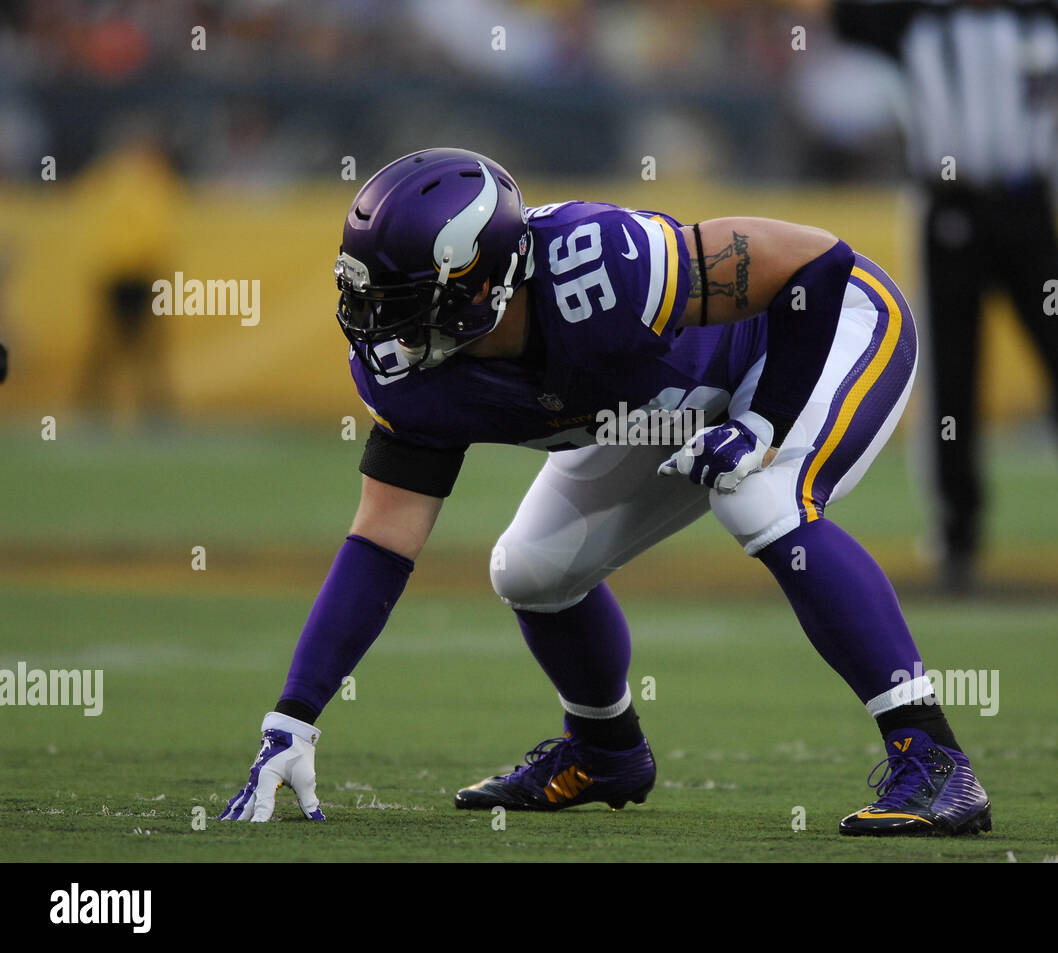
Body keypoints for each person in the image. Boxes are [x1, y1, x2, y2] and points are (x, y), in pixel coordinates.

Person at [220, 147, 990, 836]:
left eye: (402, 299)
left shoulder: (602, 267)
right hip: (666, 407)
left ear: (479, 284)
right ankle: (606, 750)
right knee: (530, 569)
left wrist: (763, 422)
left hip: (820, 330)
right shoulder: (415, 379)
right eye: (370, 294)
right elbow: (381, 543)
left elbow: (817, 264)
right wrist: (295, 715)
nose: (378, 326)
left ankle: (934, 760)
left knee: (759, 497)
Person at [831, 0, 1058, 589]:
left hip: (1029, 209)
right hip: (950, 211)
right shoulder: (916, 22)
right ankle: (958, 540)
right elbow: (844, 16)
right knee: (953, 384)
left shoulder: (1049, 22)